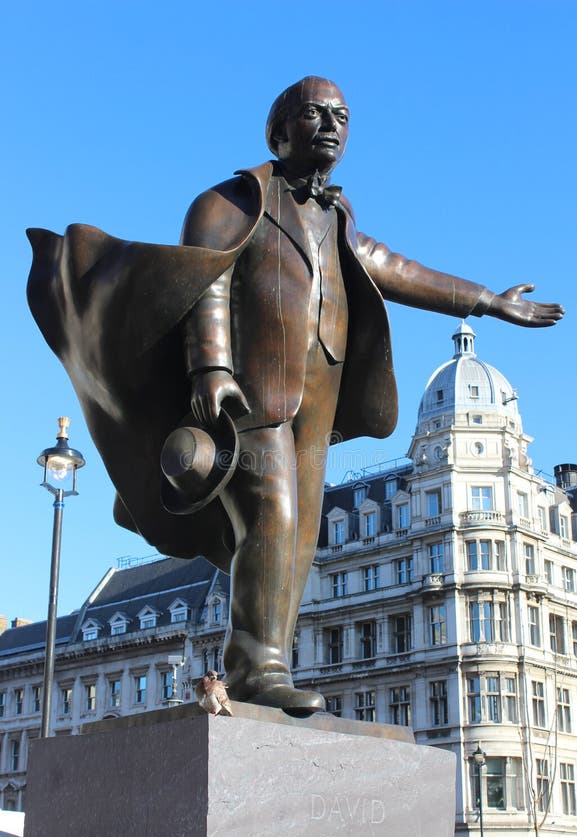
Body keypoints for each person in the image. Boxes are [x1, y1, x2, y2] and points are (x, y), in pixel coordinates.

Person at [27, 76, 563, 715]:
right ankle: (257, 668)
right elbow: (206, 282)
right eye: (316, 113)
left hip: (320, 395)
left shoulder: (336, 215)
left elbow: (395, 269)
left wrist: (488, 301)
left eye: (342, 115)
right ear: (278, 132)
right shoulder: (229, 201)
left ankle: (265, 662)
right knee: (271, 517)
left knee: (301, 535)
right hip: (253, 392)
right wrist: (209, 370)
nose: (333, 124)